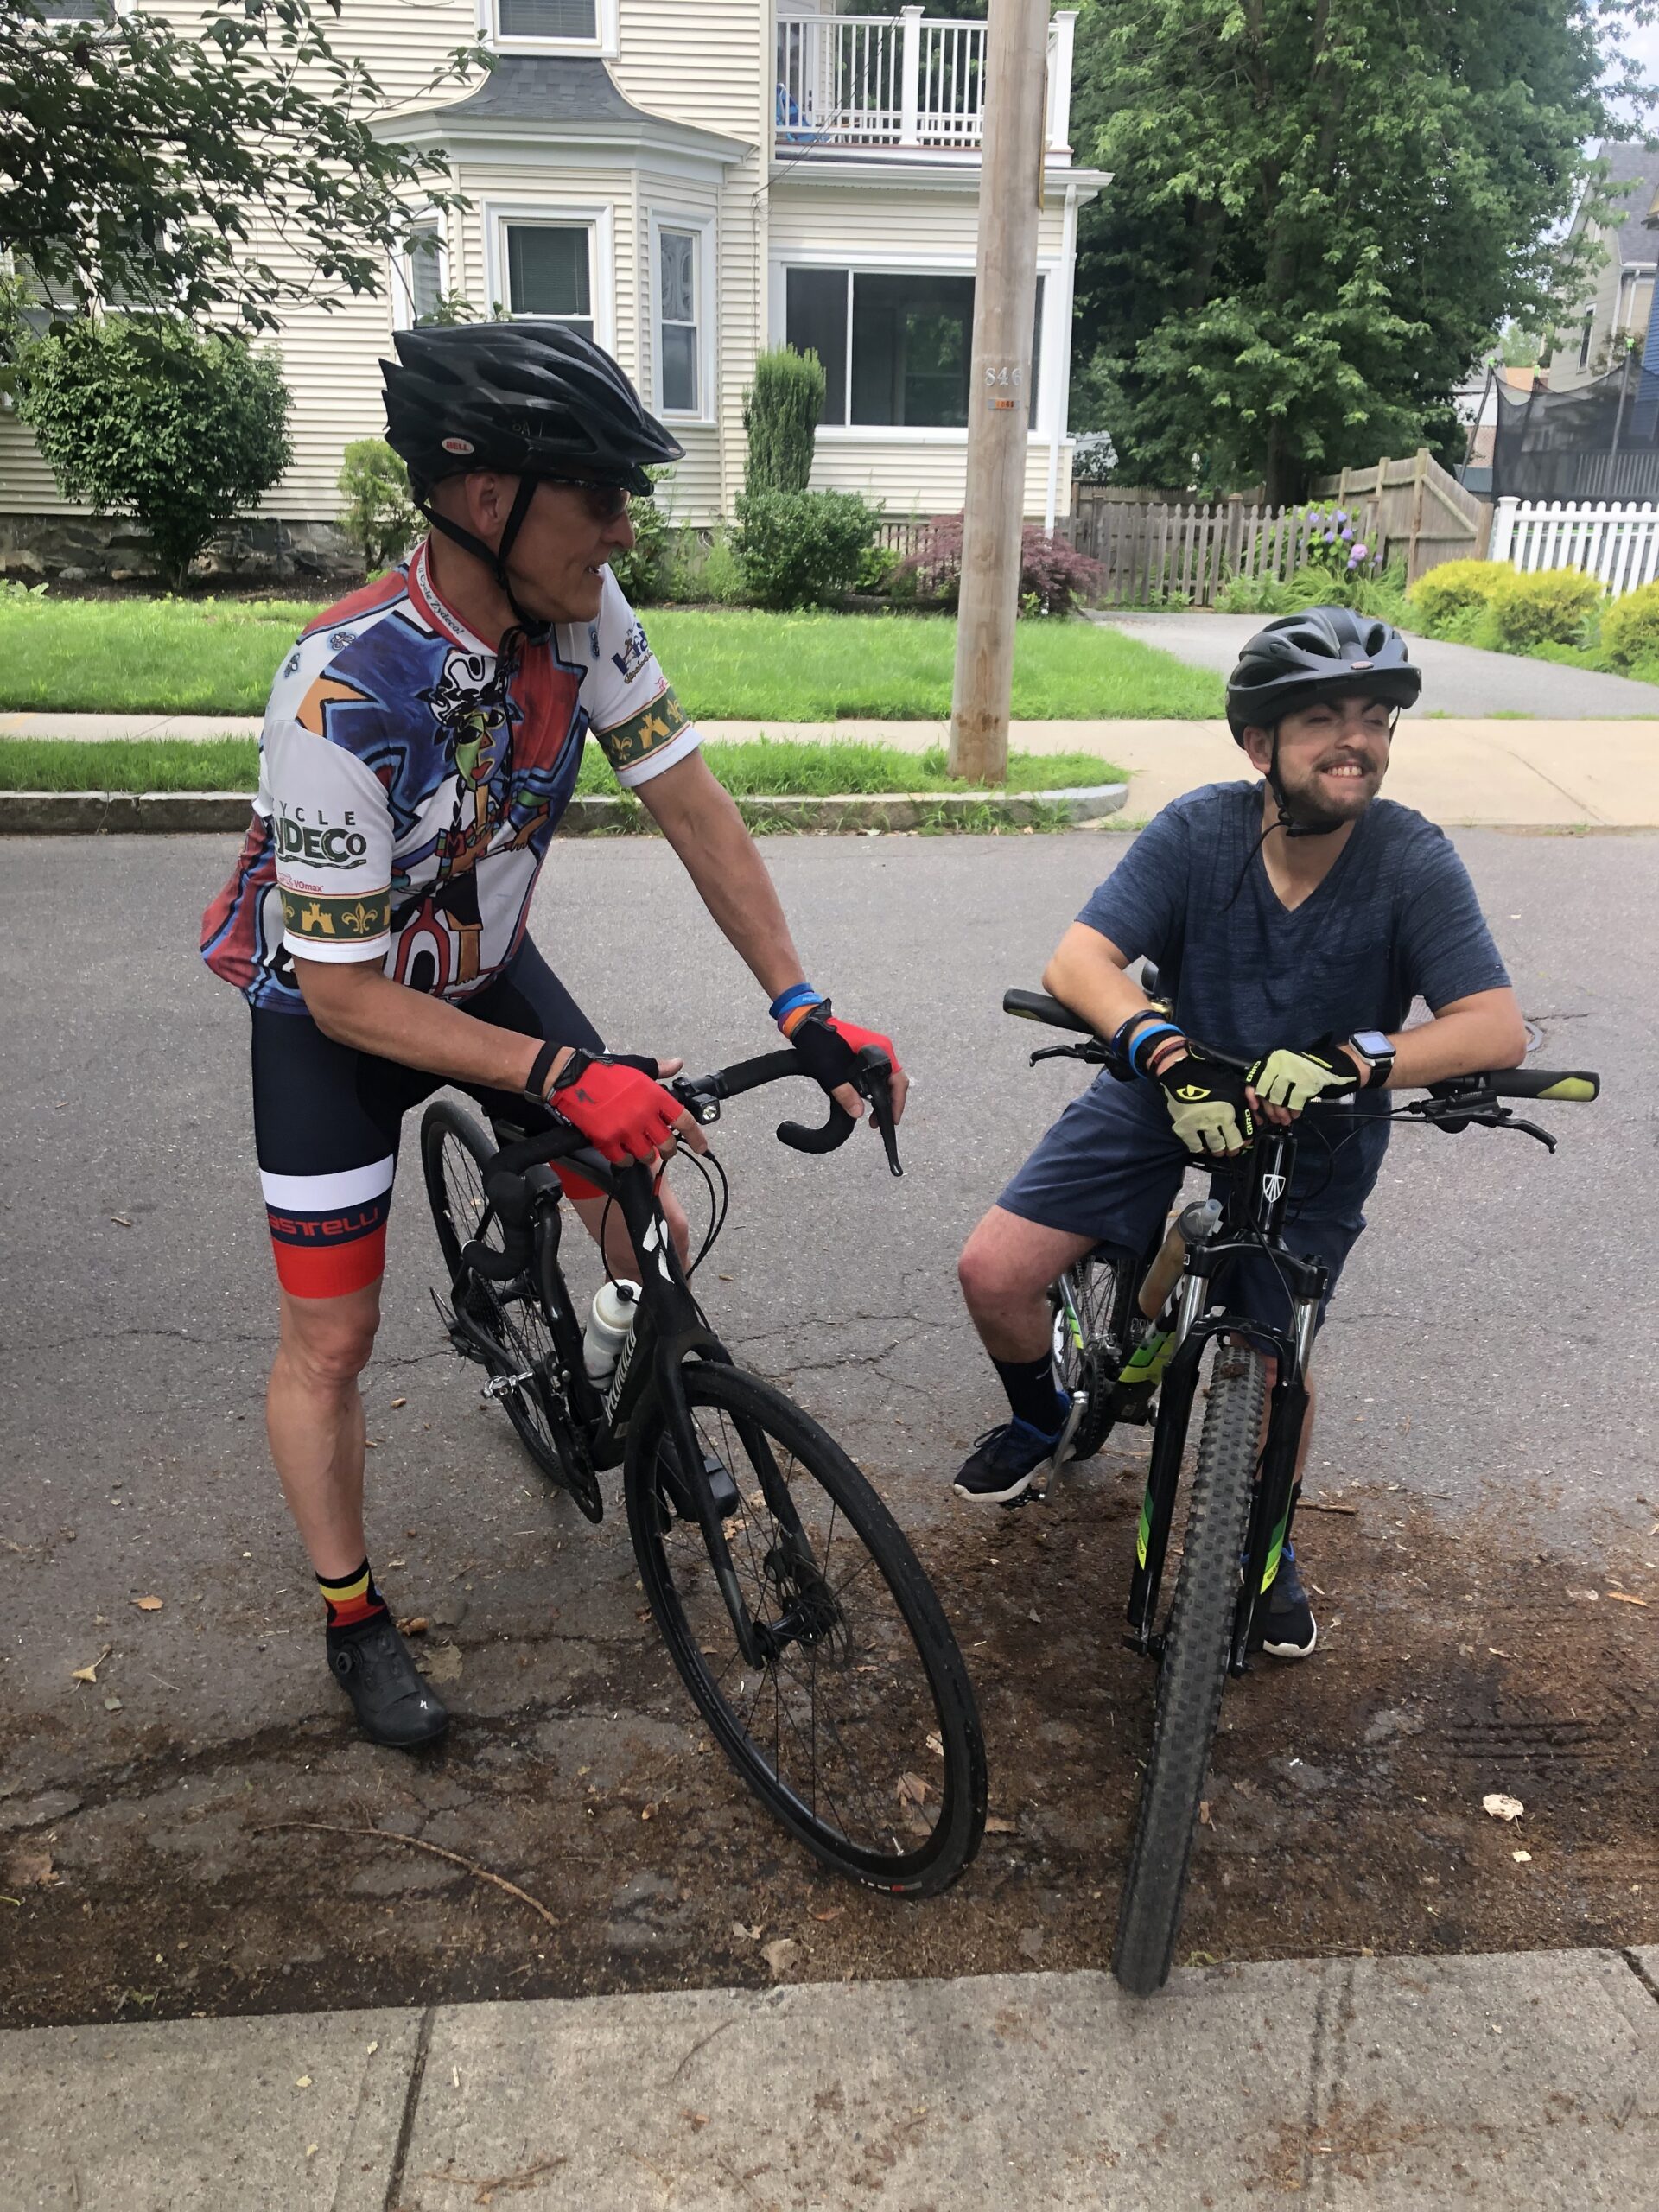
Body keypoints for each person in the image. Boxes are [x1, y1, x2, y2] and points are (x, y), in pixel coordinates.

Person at [200, 322, 905, 1749]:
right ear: (482, 500)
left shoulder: (587, 616)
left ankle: (641, 1412)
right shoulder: (340, 688)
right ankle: (353, 1616)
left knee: (650, 1205)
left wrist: (801, 1004)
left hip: (486, 976)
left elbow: (691, 803)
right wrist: (563, 1076)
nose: (623, 524)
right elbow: (341, 995)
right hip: (332, 1020)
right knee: (328, 1343)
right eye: (596, 493)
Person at [953, 607, 1526, 1656]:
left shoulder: (1410, 858)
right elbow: (1078, 964)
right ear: (1258, 743)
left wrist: (1355, 1059)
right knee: (995, 1271)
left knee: (1278, 1357)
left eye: (1374, 718)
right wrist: (1162, 1053)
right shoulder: (1199, 830)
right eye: (1321, 719)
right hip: (1171, 1087)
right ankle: (1043, 1421)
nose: (1355, 740)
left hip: (1321, 1122)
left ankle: (1265, 1539)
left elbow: (1493, 1022)